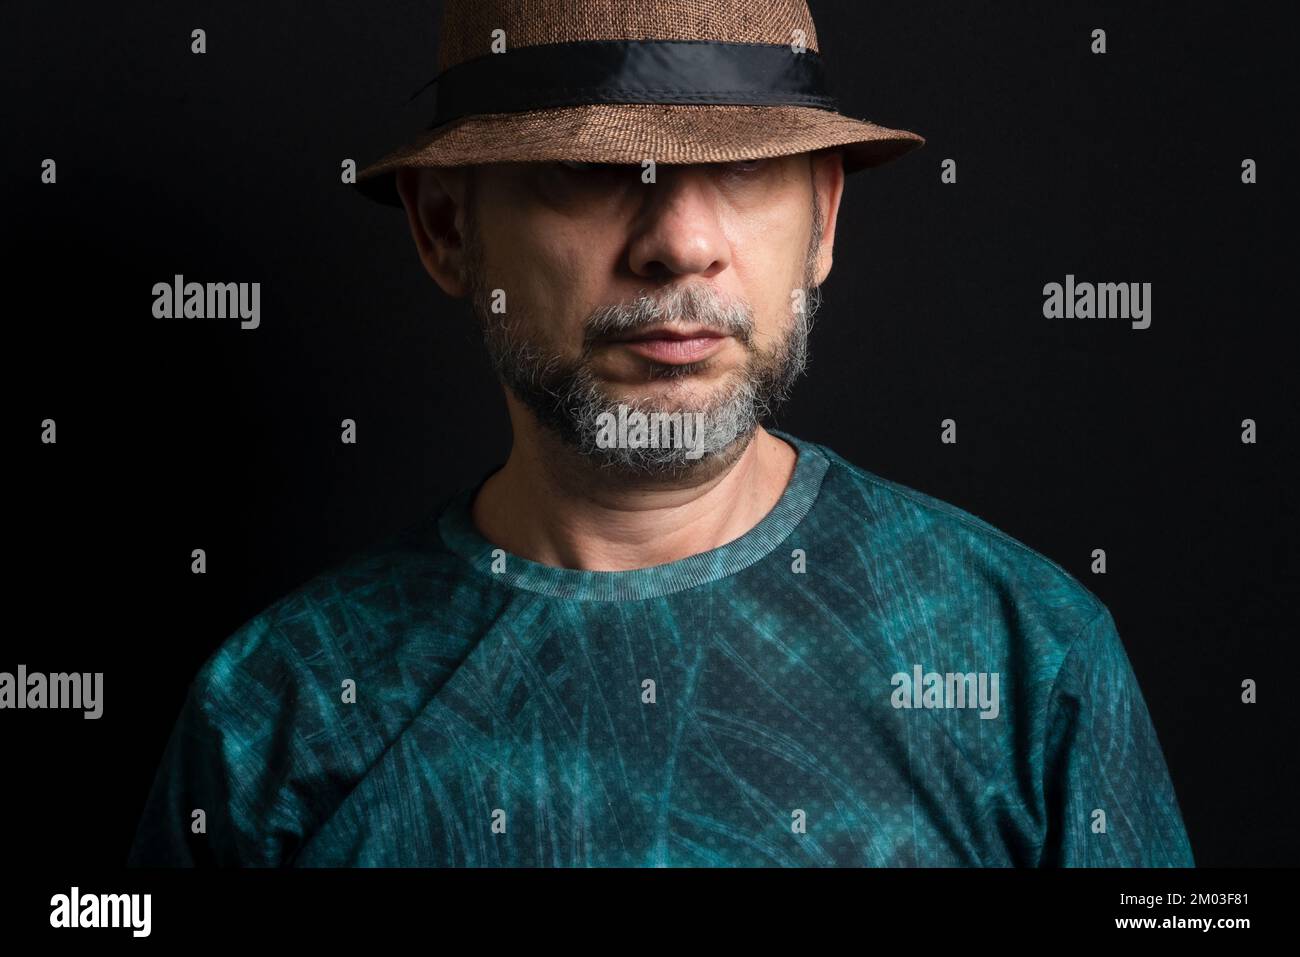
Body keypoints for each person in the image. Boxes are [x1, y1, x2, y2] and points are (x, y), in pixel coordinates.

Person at [127, 0, 1194, 867]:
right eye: (591, 170)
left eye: (740, 169)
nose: (680, 243)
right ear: (447, 227)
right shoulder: (282, 708)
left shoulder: (1024, 657)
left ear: (822, 220)